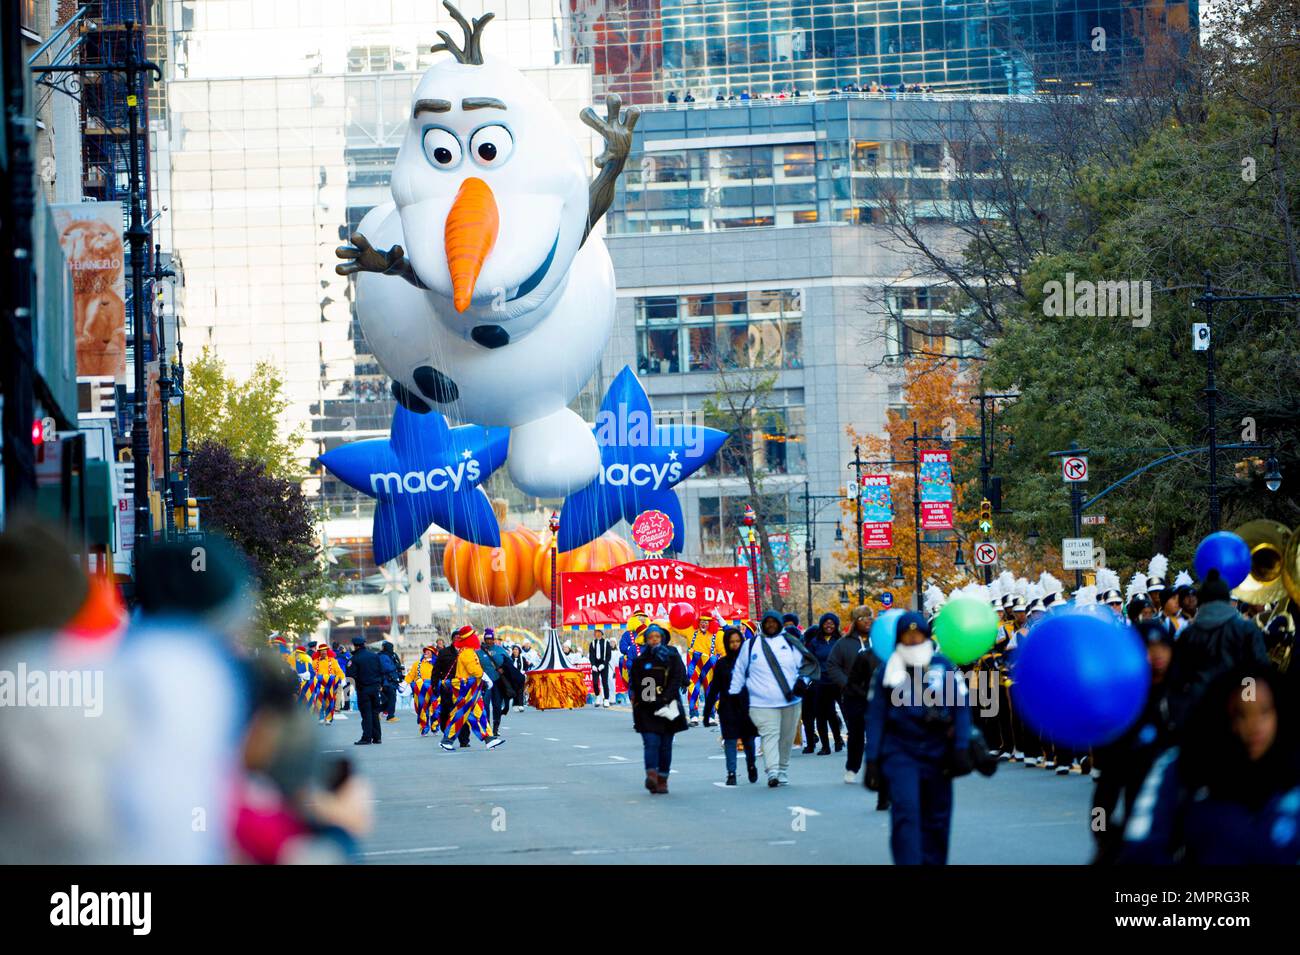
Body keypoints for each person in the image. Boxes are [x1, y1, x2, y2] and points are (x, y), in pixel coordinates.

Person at [1120, 666, 1299, 863]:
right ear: (1224, 718)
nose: (1254, 725)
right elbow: (1140, 848)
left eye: (1264, 712)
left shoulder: (1291, 773)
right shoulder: (1185, 765)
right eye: (1241, 714)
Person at [864, 611, 971, 865]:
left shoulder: (943, 665)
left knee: (937, 818)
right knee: (907, 814)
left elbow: (961, 708)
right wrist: (872, 760)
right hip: (901, 753)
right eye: (906, 635)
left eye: (917, 634)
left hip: (938, 754)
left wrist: (961, 746)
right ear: (899, 638)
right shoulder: (886, 671)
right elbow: (876, 716)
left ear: (925, 635)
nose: (912, 640)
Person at [1091, 621, 1176, 862]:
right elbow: (1106, 787)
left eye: (1162, 645)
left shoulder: (1187, 693)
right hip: (1139, 819)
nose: (1157, 652)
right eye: (1148, 646)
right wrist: (1101, 832)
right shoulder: (1125, 708)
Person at [1166, 569, 1272, 730]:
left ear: (1201, 601)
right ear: (1226, 600)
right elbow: (1258, 671)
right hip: (1238, 711)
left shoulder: (1188, 634)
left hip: (1199, 713)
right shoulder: (1246, 629)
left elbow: (1177, 682)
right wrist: (1247, 700)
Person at [730, 610, 819, 787]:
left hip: (790, 700)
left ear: (779, 623)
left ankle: (782, 770)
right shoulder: (751, 644)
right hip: (760, 703)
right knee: (769, 735)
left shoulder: (790, 642)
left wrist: (804, 681)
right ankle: (772, 772)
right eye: (767, 622)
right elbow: (739, 670)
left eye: (774, 622)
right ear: (763, 624)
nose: (770, 625)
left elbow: (807, 665)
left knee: (786, 738)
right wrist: (734, 695)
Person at [629, 623, 689, 794]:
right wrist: (642, 702)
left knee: (665, 745)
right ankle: (652, 775)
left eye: (657, 637)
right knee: (651, 742)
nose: (654, 640)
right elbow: (636, 683)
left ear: (662, 638)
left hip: (668, 707)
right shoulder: (641, 661)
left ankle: (663, 779)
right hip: (647, 708)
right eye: (650, 637)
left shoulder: (672, 657)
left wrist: (666, 697)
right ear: (646, 640)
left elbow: (677, 677)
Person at [704, 626, 761, 785]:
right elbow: (714, 688)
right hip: (728, 708)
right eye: (731, 642)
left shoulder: (749, 660)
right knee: (730, 740)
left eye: (737, 641)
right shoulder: (722, 664)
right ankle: (731, 773)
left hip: (747, 707)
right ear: (726, 643)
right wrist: (707, 711)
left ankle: (751, 765)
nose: (735, 644)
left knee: (748, 741)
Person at [826, 606, 875, 782]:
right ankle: (852, 768)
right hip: (854, 696)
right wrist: (846, 684)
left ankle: (876, 769)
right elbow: (832, 665)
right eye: (863, 618)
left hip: (877, 695)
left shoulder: (880, 639)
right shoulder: (844, 643)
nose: (867, 621)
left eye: (869, 617)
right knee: (856, 734)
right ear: (855, 622)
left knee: (877, 733)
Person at [439, 625, 504, 752]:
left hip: (470, 689)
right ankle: (447, 740)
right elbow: (474, 670)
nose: (476, 637)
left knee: (479, 714)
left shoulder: (465, 651)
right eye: (473, 635)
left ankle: (489, 739)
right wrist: (485, 677)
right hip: (466, 689)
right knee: (460, 716)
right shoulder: (468, 652)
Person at [803, 612, 844, 755]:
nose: (829, 625)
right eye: (826, 623)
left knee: (844, 712)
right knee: (822, 715)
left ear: (836, 625)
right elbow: (808, 660)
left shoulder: (840, 641)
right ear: (821, 625)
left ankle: (841, 740)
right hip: (820, 682)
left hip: (838, 682)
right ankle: (825, 746)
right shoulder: (815, 642)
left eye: (832, 623)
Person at [346, 637, 385, 745]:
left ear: (355, 646)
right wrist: (379, 684)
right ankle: (377, 737)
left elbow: (350, 676)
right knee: (375, 712)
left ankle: (366, 737)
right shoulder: (374, 656)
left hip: (363, 689)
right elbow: (381, 671)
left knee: (366, 714)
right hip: (375, 688)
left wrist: (355, 687)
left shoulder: (354, 659)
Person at [405, 645, 439, 736]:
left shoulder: (437, 664)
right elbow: (411, 675)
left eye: (428, 652)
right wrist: (405, 683)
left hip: (434, 689)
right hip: (421, 690)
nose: (426, 653)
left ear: (433, 654)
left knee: (436, 708)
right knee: (422, 709)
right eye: (425, 651)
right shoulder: (417, 664)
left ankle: (435, 726)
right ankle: (424, 727)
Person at [589, 631, 615, 707]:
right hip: (595, 665)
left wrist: (604, 664)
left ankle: (606, 699)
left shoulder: (606, 643)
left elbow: (608, 655)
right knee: (595, 682)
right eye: (596, 633)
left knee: (605, 682)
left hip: (604, 665)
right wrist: (593, 665)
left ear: (602, 634)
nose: (597, 634)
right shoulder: (592, 643)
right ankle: (598, 696)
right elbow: (591, 655)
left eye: (599, 633)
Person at [379, 640, 402, 722]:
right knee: (391, 698)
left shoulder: (390, 655)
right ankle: (390, 716)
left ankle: (378, 712)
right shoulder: (383, 656)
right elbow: (386, 668)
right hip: (387, 681)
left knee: (387, 700)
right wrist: (396, 666)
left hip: (390, 681)